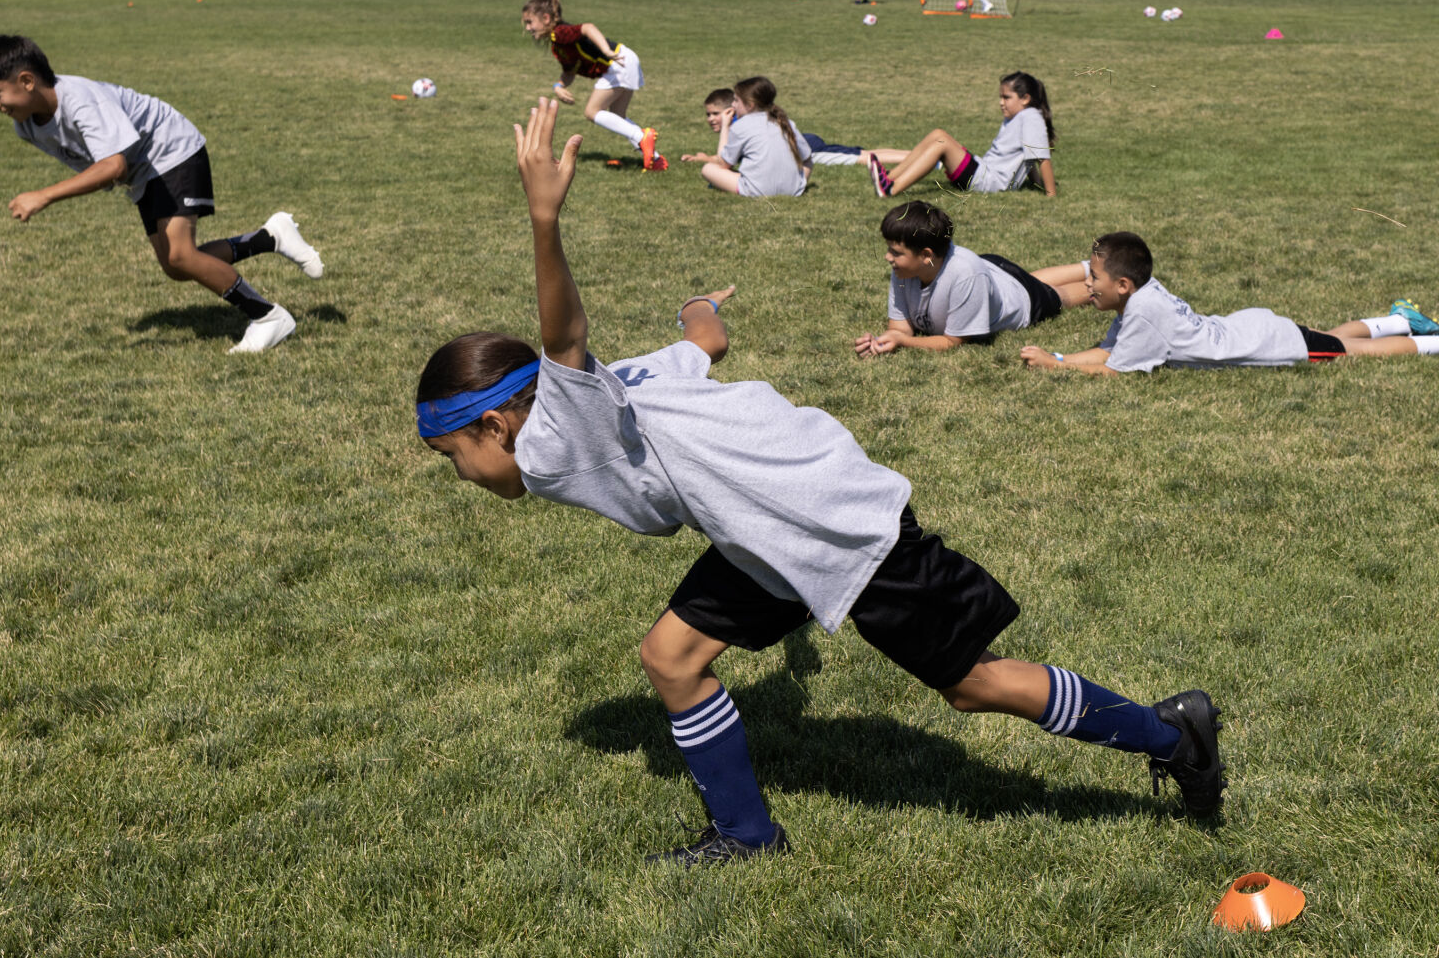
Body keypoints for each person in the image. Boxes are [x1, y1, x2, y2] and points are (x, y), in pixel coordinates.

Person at [416, 99, 1230, 865]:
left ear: (496, 424)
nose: (462, 474)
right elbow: (709, 342)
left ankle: (1175, 735)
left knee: (972, 684)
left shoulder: (558, 430)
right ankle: (746, 834)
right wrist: (698, 301)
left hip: (822, 515)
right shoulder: (611, 385)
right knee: (672, 657)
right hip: (756, 525)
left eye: (455, 454)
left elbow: (563, 340)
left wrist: (545, 219)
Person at [0, 34, 325, 354]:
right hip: (144, 170)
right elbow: (97, 165)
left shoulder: (79, 100)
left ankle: (267, 317)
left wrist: (44, 195)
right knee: (176, 266)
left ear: (27, 81)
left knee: (182, 255)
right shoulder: (27, 126)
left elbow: (113, 165)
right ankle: (270, 238)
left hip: (171, 149)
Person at [1019, 232, 1439, 375]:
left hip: (1268, 342)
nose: (1089, 286)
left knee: (1349, 352)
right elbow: (1107, 350)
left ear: (1123, 285)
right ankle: (1398, 318)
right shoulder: (1141, 298)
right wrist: (1057, 357)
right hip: (1256, 326)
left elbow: (1113, 370)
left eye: (1094, 278)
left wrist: (1056, 366)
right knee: (1330, 338)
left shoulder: (1142, 313)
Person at [854, 201, 1090, 357]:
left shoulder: (965, 274)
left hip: (1021, 298)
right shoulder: (905, 270)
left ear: (926, 255)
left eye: (895, 252)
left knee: (1060, 295)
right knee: (1031, 279)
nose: (887, 257)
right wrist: (884, 340)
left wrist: (904, 342)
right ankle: (1092, 268)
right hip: (993, 273)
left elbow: (953, 341)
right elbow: (900, 328)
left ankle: (1102, 278)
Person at [521, 0, 661, 169]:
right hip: (624, 60)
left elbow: (587, 28)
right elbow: (569, 72)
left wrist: (607, 51)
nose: (527, 28)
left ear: (546, 18)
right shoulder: (558, 43)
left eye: (529, 22)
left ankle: (642, 137)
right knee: (618, 117)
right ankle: (655, 160)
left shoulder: (560, 33)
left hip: (617, 63)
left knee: (591, 111)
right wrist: (559, 86)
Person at [869, 71, 1057, 198]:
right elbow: (1027, 159)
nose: (1001, 102)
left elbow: (1042, 158)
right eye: (1000, 97)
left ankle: (891, 189)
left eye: (1006, 98)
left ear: (1025, 99)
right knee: (938, 134)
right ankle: (890, 177)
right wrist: (1035, 184)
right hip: (985, 172)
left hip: (990, 181)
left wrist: (1050, 194)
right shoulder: (1019, 116)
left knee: (941, 142)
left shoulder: (1031, 117)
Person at [690, 87, 906, 169]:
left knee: (864, 158)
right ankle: (920, 157)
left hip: (807, 148)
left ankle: (924, 159)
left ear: (731, 110)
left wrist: (708, 158)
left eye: (715, 113)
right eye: (708, 114)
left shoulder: (737, 125)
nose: (710, 119)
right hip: (803, 142)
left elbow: (723, 162)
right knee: (864, 153)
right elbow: (729, 156)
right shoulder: (741, 123)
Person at [679, 76, 810, 197]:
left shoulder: (741, 126)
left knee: (708, 169)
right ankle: (797, 186)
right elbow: (807, 158)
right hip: (793, 190)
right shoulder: (786, 122)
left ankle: (754, 186)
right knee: (808, 161)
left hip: (757, 190)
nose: (733, 105)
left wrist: (725, 127)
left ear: (750, 104)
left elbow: (724, 164)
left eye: (736, 100)